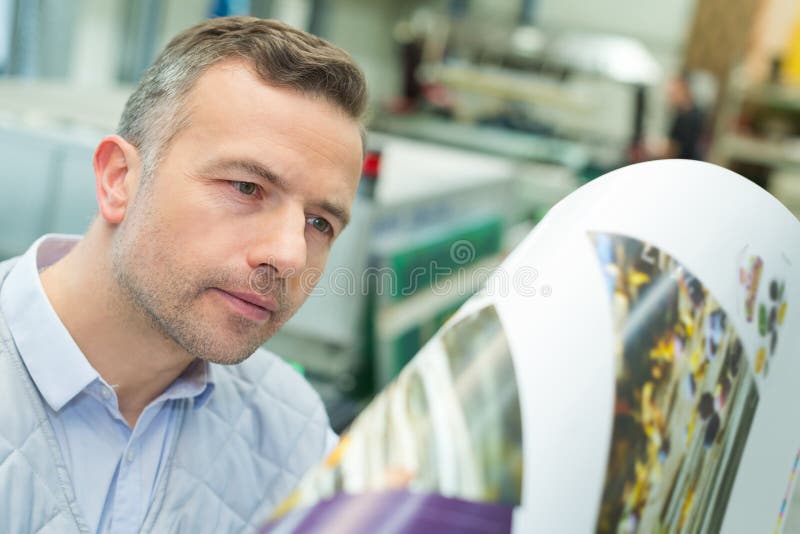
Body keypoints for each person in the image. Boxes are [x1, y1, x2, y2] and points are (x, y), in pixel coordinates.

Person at [0, 16, 366, 533]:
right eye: (245, 188)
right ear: (119, 180)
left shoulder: (291, 433)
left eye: (319, 223)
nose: (289, 255)